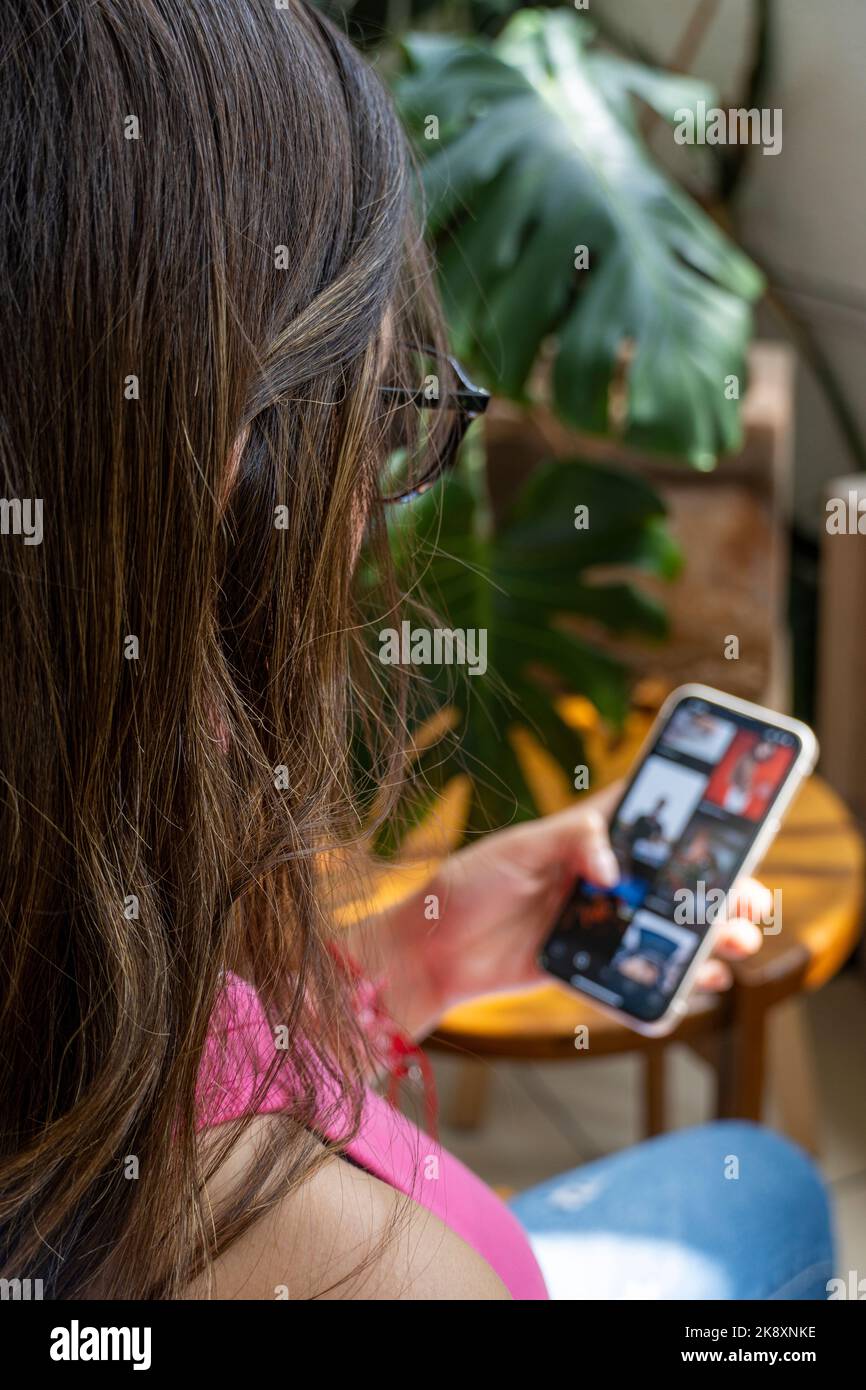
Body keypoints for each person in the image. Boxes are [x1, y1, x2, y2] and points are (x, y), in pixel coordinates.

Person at [0, 0, 833, 1301]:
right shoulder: (305, 1253)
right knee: (765, 1184)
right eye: (385, 419)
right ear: (229, 463)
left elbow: (163, 1043)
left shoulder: (68, 845)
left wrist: (423, 959)